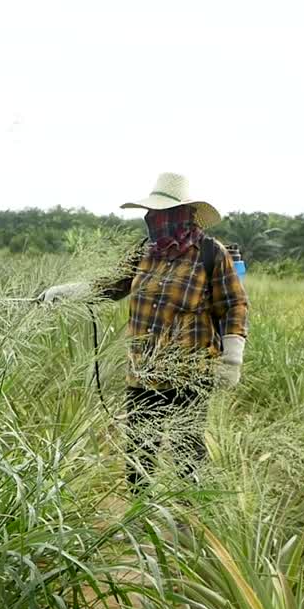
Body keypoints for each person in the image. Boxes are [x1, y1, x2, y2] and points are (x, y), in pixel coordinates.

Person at [38, 173, 249, 489]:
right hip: (142, 374)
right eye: (154, 212)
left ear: (183, 213)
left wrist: (232, 359)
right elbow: (110, 285)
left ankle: (188, 525)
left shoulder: (210, 253)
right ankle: (138, 525)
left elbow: (234, 305)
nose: (156, 218)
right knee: (139, 456)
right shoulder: (145, 251)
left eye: (164, 212)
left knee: (187, 457)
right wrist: (67, 292)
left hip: (189, 375)